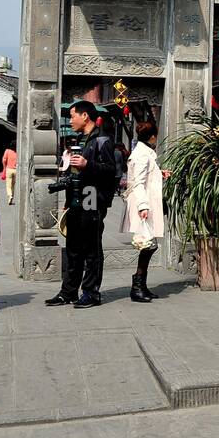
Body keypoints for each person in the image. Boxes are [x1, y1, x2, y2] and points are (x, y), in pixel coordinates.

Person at [46, 101, 118, 308]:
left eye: (73, 115)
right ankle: (68, 292)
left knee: (91, 249)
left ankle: (91, 293)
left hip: (92, 197)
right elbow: (75, 174)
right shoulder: (80, 139)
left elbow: (110, 171)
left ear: (85, 115)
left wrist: (88, 164)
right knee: (73, 248)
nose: (71, 120)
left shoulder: (102, 140)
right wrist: (68, 201)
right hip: (77, 199)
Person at [123, 122, 167, 302]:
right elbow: (138, 182)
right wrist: (143, 206)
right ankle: (137, 286)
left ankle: (141, 285)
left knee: (149, 245)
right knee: (148, 245)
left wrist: (159, 173)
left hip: (146, 203)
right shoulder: (142, 155)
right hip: (144, 204)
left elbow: (144, 176)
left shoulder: (144, 153)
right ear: (152, 137)